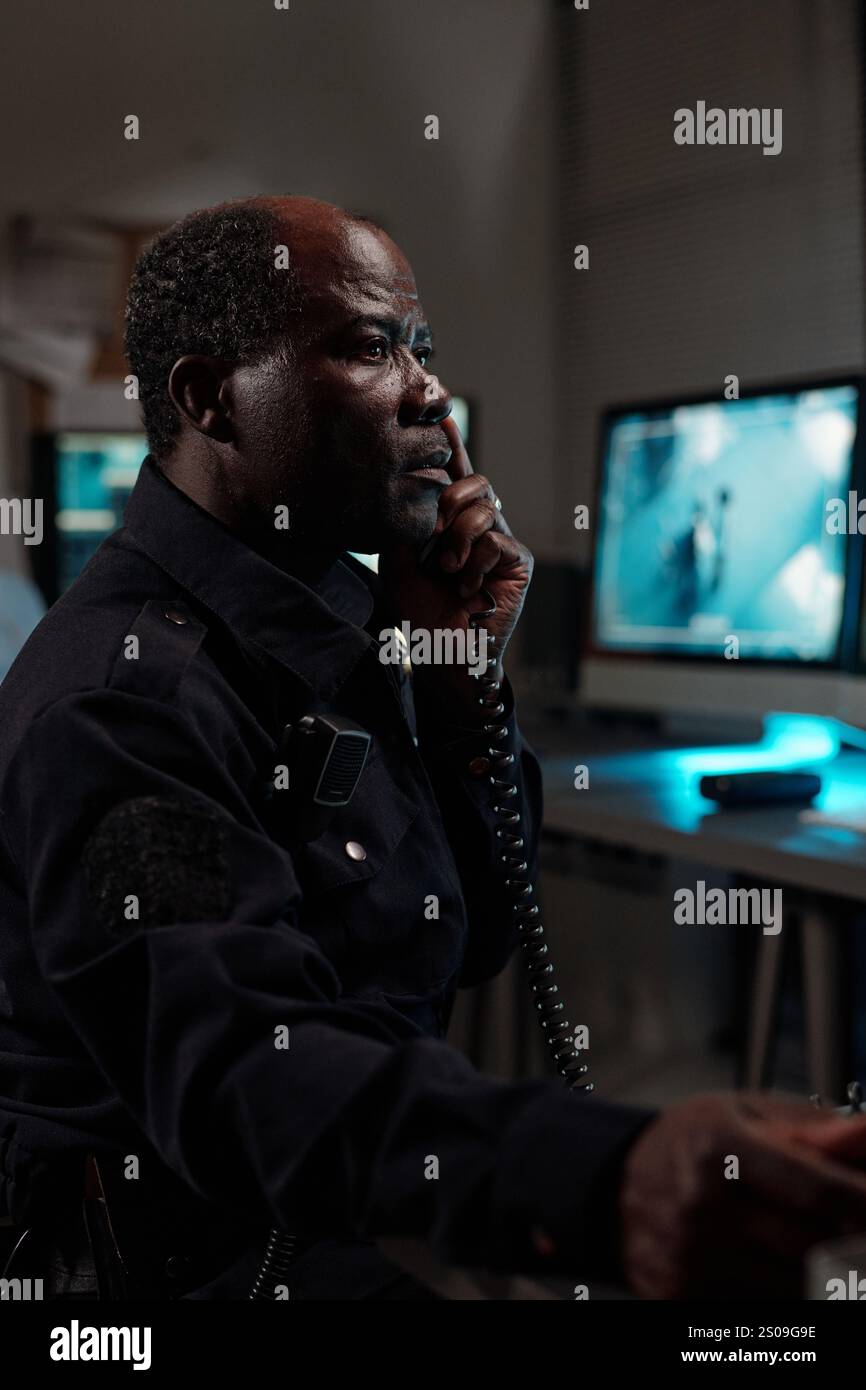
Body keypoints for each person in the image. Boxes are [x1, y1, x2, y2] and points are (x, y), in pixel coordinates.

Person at [1, 196, 865, 1301]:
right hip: (178, 1270)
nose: (429, 395)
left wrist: (458, 695)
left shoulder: (330, 621)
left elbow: (469, 939)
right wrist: (610, 1174)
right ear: (210, 399)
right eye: (370, 347)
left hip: (304, 1219)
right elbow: (242, 1070)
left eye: (424, 351)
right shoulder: (123, 701)